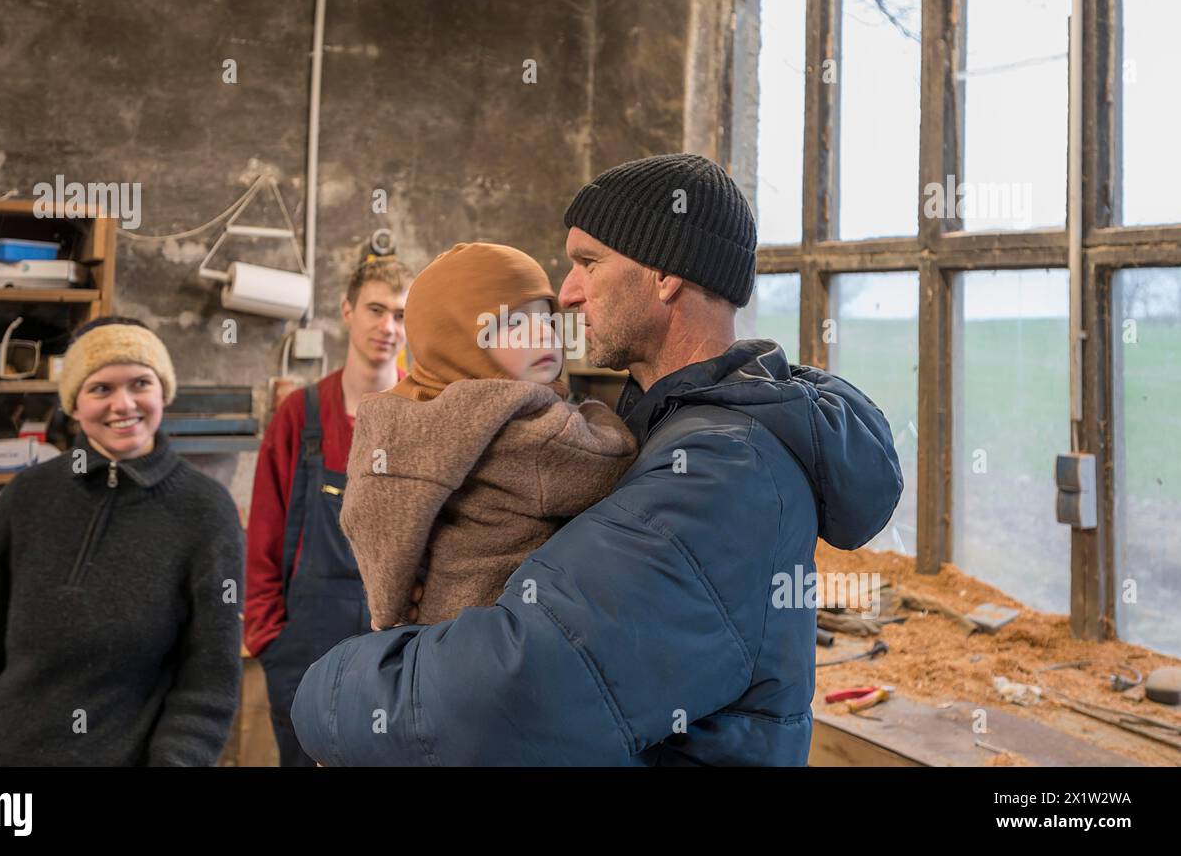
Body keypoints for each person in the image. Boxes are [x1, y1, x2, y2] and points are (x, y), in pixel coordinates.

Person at [290, 153, 904, 766]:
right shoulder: (666, 429)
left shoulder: (723, 472)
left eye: (588, 262)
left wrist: (329, 690)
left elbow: (513, 693)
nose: (568, 293)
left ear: (663, 275)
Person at [0, 317, 243, 766]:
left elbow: (209, 680)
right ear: (74, 404)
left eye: (140, 383)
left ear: (164, 393)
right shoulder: (25, 499)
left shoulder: (206, 512)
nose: (124, 404)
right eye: (101, 388)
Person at [340, 242, 637, 630]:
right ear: (457, 338)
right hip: (508, 642)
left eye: (547, 319)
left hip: (439, 635)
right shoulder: (523, 429)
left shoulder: (399, 417)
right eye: (513, 324)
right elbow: (615, 457)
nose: (542, 335)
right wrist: (595, 410)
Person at [244, 256, 412, 766]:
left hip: (396, 645)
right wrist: (270, 638)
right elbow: (263, 536)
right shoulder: (302, 415)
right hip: (304, 647)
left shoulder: (425, 413)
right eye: (376, 309)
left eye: (401, 315)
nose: (387, 327)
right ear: (347, 311)